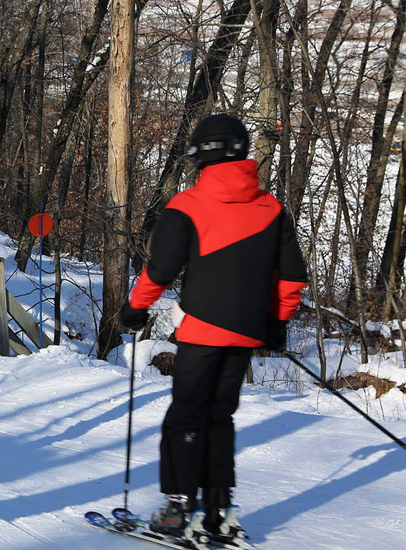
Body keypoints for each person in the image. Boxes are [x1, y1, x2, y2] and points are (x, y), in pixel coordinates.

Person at [120, 114, 308, 543]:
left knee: (187, 415)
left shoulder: (186, 206)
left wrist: (135, 308)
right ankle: (220, 508)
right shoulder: (272, 208)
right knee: (220, 417)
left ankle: (178, 509)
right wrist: (276, 324)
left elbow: (160, 270)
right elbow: (293, 278)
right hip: (245, 334)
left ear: (201, 155)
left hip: (203, 330)